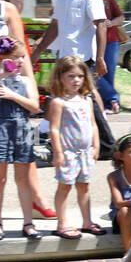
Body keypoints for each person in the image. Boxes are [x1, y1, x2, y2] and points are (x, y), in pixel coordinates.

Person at [0, 0, 57, 223]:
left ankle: (37, 198)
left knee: (21, 141)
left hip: (7, 81)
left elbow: (21, 50)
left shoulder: (7, 9)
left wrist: (28, 83)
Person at [34, 0, 114, 160]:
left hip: (82, 58)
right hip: (65, 57)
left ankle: (100, 145)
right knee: (78, 101)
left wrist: (100, 58)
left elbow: (101, 26)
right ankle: (104, 145)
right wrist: (39, 50)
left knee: (71, 100)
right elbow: (56, 25)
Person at [0, 37, 42, 241]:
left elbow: (35, 107)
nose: (20, 62)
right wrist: (0, 76)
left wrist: (12, 95)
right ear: (1, 57)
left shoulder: (26, 81)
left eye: (23, 57)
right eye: (16, 57)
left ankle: (28, 223)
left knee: (22, 179)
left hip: (22, 129)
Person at [47, 56, 103, 240]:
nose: (76, 80)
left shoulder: (86, 100)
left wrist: (96, 145)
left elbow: (93, 124)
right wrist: (58, 153)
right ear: (61, 77)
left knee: (84, 186)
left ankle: (87, 221)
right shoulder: (59, 102)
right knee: (65, 187)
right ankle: (62, 223)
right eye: (71, 76)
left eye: (79, 76)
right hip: (68, 153)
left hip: (85, 153)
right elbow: (54, 129)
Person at [84, 0, 124, 113]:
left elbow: (121, 17)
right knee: (95, 73)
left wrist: (111, 23)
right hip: (91, 43)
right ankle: (113, 98)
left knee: (108, 73)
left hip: (111, 41)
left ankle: (109, 105)